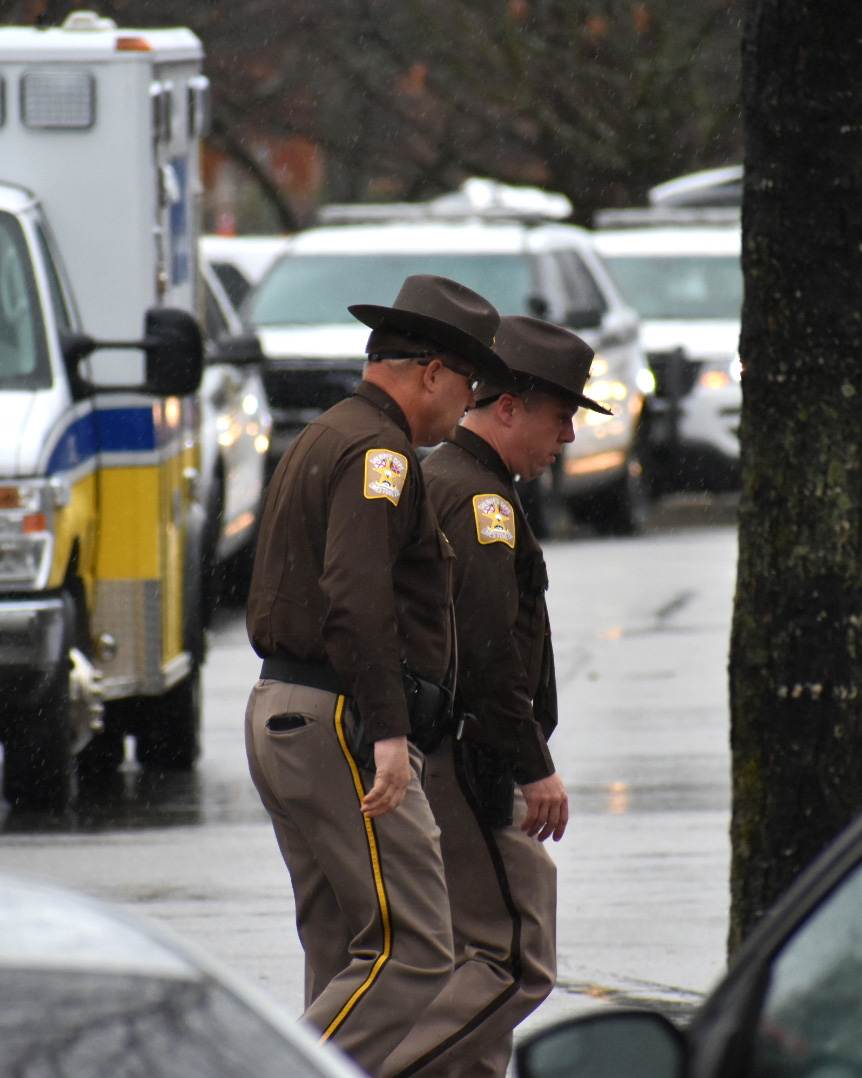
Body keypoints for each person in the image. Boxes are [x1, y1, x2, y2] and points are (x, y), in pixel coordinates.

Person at [244, 275, 510, 1076]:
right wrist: (391, 731)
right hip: (339, 719)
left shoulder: (330, 432)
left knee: (343, 950)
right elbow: (356, 599)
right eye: (466, 388)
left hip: (287, 706)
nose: (465, 409)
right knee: (417, 948)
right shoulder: (379, 451)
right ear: (430, 371)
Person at [381, 315, 613, 1078]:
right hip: (466, 755)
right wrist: (530, 763)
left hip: (444, 746)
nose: (570, 437)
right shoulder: (477, 498)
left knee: (466, 964)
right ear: (507, 407)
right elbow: (485, 651)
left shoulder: (456, 480)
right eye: (560, 416)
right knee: (512, 958)